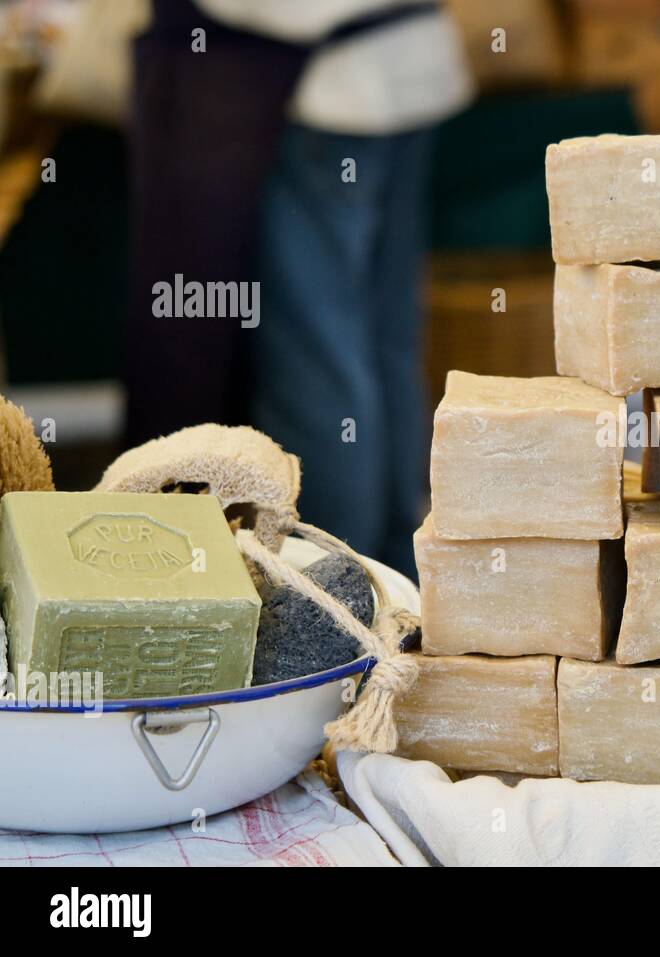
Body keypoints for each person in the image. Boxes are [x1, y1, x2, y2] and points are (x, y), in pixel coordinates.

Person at [183, 0, 471, 574]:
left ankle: (337, 582)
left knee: (319, 357)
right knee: (383, 340)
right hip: (409, 64)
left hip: (334, 85)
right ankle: (396, 573)